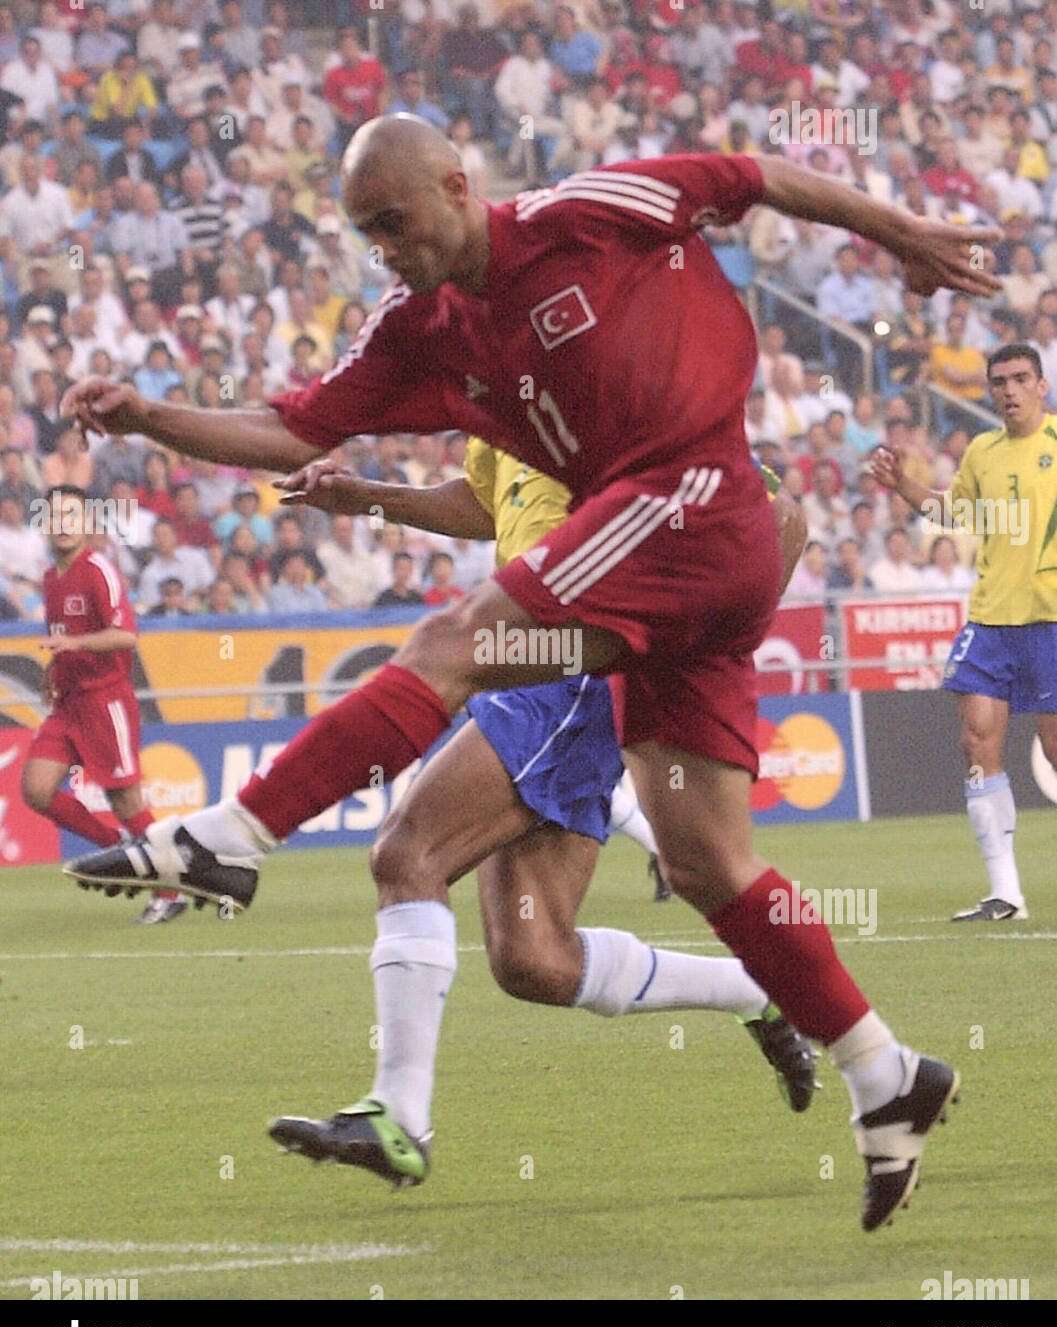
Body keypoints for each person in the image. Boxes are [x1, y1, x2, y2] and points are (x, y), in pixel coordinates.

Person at [62, 117, 998, 1232]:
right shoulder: (421, 333)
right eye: (366, 234)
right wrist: (151, 418)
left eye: (394, 223)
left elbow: (754, 175)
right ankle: (884, 1073)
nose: (385, 250)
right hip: (671, 577)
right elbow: (293, 424)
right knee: (704, 861)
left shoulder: (588, 210)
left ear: (458, 187)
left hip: (690, 496)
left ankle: (232, 837)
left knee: (455, 648)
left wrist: (903, 234)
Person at [261, 438, 815, 1183]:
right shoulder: (501, 393)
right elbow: (486, 505)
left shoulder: (618, 374)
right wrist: (366, 496)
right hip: (524, 664)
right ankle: (756, 990)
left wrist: (704, 657)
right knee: (534, 960)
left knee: (406, 854)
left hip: (572, 667)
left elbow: (779, 516)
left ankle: (397, 1117)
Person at [871, 343, 1057, 923]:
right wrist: (904, 486)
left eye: (1021, 379)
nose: (1009, 390)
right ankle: (1006, 893)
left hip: (1050, 619)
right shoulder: (982, 450)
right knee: (977, 743)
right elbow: (953, 514)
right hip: (991, 621)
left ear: (1042, 384)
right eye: (999, 381)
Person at [20, 487, 187, 925]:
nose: (62, 522)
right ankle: (117, 848)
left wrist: (73, 643)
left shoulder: (98, 570)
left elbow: (127, 636)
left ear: (86, 522)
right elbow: (63, 634)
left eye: (71, 514)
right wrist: (53, 668)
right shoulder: (51, 576)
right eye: (55, 515)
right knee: (36, 789)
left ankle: (171, 891)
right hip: (69, 703)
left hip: (105, 699)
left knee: (126, 799)